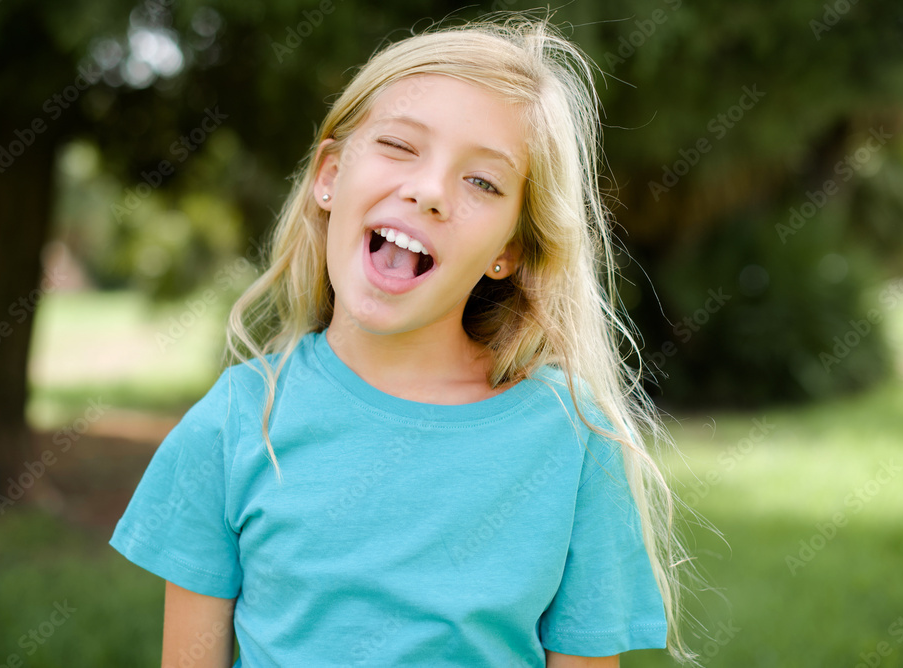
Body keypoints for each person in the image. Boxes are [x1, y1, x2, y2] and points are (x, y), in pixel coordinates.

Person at [110, 12, 694, 668]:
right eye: (400, 146)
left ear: (510, 250)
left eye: (483, 182)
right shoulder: (235, 424)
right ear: (328, 176)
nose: (429, 192)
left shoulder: (572, 439)